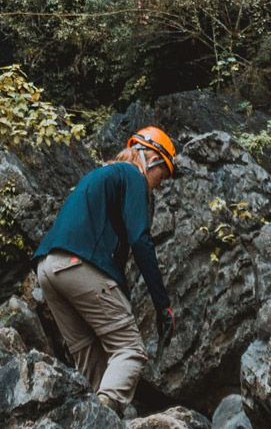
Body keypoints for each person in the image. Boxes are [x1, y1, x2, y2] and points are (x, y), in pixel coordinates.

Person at [32, 126, 178, 414]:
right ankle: (98, 422)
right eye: (163, 176)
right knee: (130, 352)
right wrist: (163, 305)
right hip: (78, 265)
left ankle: (91, 414)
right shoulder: (133, 176)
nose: (159, 185)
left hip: (48, 268)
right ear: (153, 160)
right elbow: (140, 239)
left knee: (91, 358)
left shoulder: (101, 176)